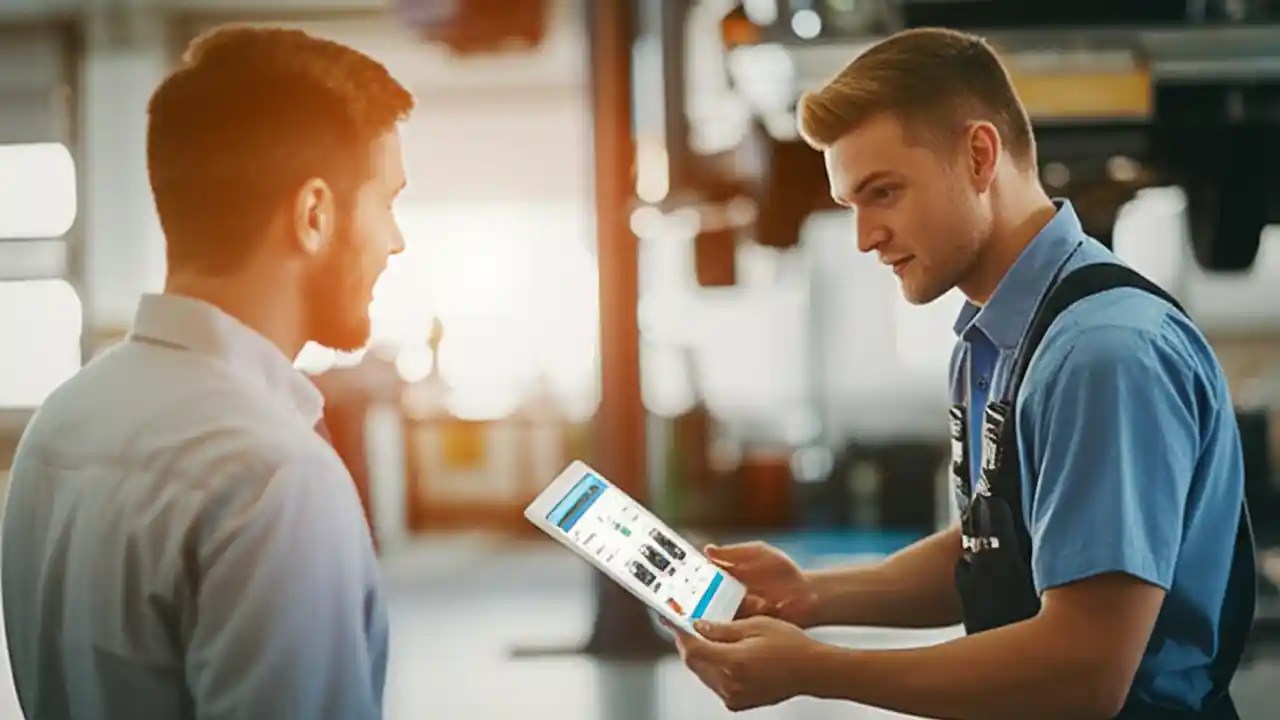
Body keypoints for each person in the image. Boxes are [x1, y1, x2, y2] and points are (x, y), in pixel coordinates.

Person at [671, 27, 1256, 719]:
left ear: (979, 155)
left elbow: (1085, 670)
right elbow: (999, 544)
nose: (864, 237)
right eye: (850, 205)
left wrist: (819, 670)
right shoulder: (993, 341)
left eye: (883, 192)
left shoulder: (1102, 354)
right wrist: (814, 597)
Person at [2, 26, 412, 720]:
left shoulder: (62, 422)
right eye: (389, 201)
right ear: (314, 214)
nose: (396, 241)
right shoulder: (276, 479)